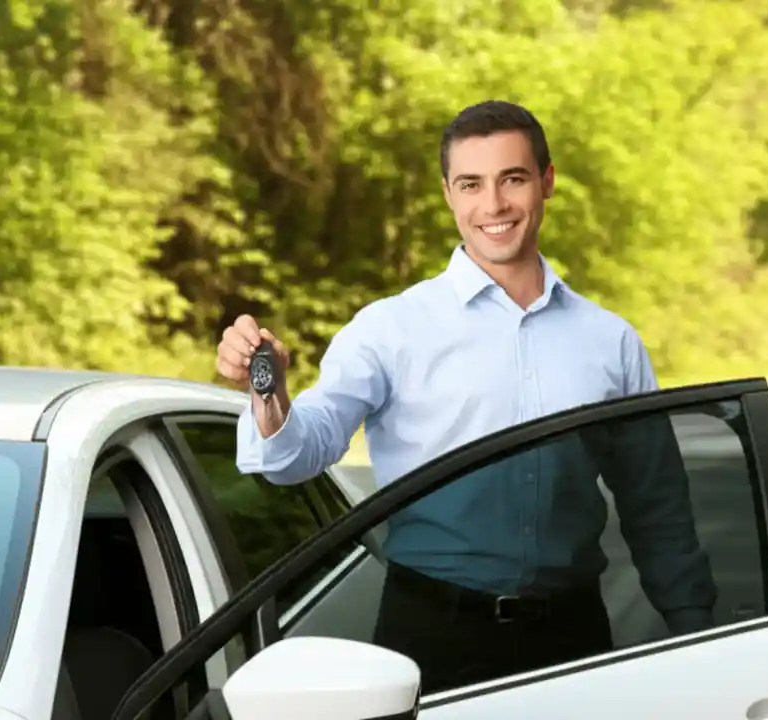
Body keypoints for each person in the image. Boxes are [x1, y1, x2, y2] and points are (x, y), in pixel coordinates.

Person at [216, 99, 717, 693]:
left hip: (575, 639)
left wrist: (701, 640)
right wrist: (267, 395)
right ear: (449, 194)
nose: (494, 205)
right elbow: (301, 451)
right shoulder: (390, 328)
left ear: (546, 182)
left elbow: (657, 507)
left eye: (513, 179)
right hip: (431, 638)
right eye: (471, 184)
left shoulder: (610, 342)